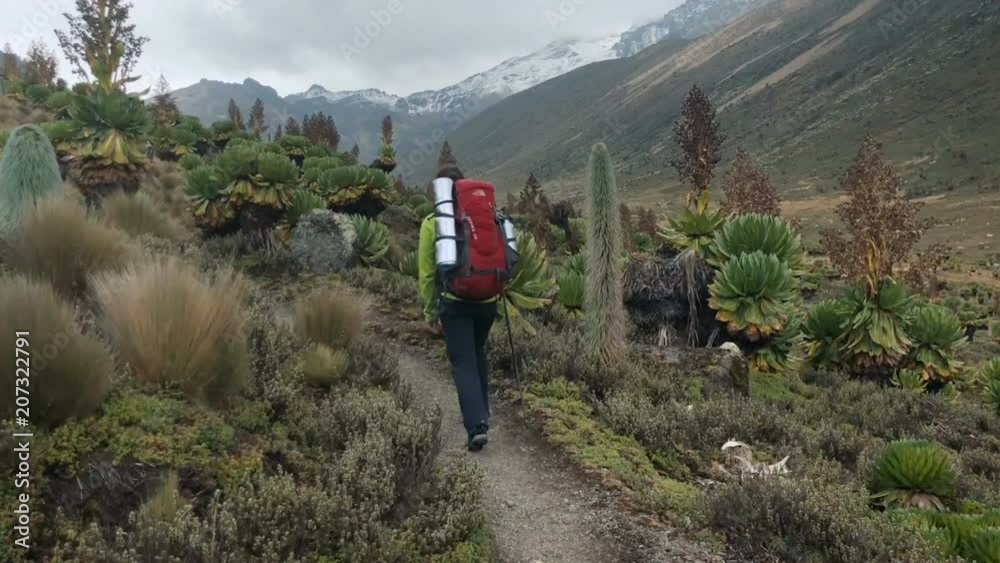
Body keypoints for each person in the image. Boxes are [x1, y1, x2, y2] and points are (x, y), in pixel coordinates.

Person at [418, 166, 498, 451]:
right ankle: (482, 411)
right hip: (489, 301)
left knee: (463, 361)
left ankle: (476, 425)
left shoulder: (433, 223)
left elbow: (427, 274)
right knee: (477, 354)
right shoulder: (488, 217)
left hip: (456, 303)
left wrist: (429, 312)